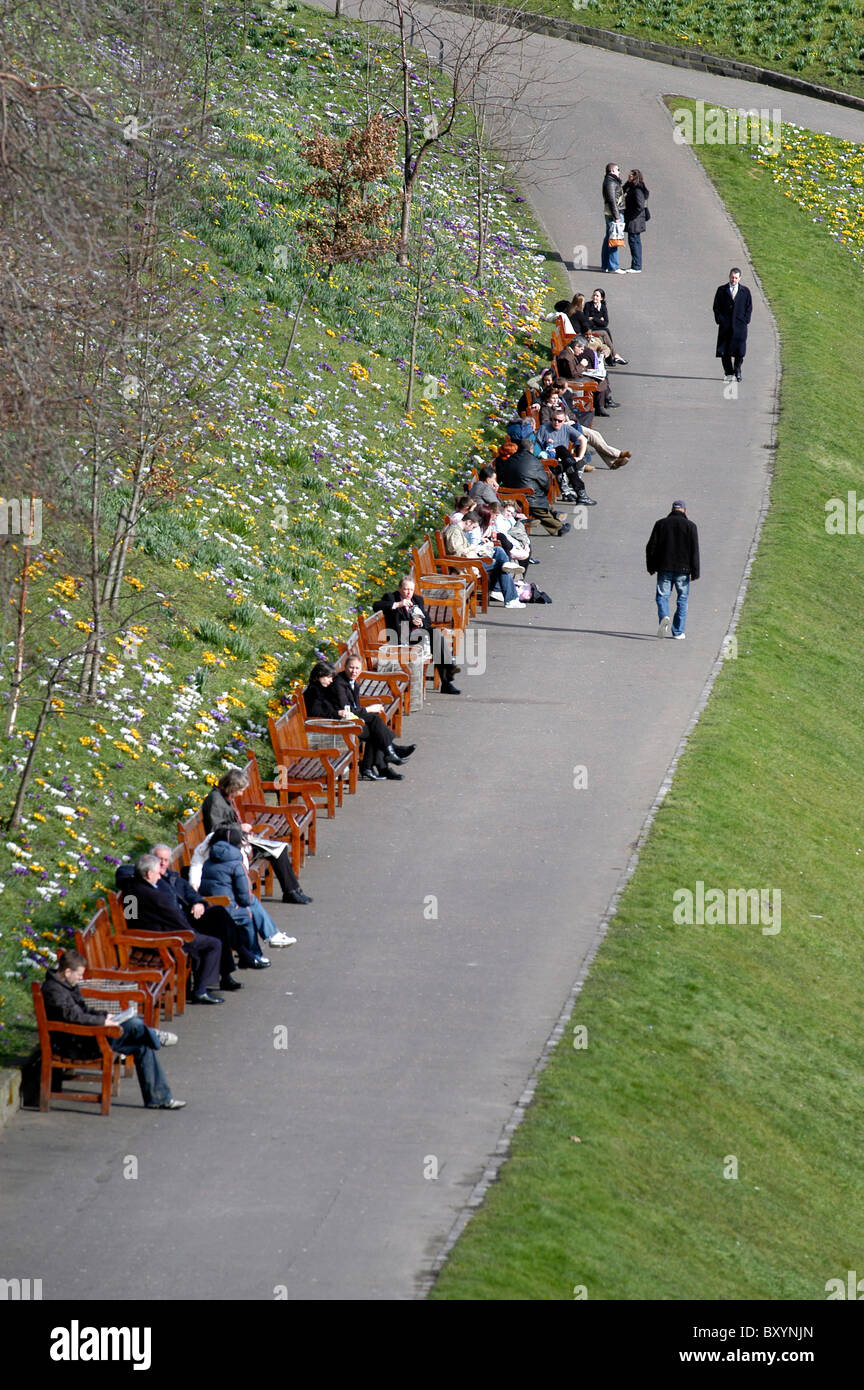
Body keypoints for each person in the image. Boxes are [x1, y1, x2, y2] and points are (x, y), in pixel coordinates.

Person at [42, 949, 185, 1110]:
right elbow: (73, 1017)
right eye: (79, 974)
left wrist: (106, 1016)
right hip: (76, 1043)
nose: (81, 978)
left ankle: (160, 1099)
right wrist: (103, 1022)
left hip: (87, 1036)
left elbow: (83, 1009)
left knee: (143, 1046)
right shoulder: (53, 990)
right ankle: (154, 1036)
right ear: (67, 971)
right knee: (133, 1024)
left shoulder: (68, 984)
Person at [116, 847, 244, 992]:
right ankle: (201, 990)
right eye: (159, 861)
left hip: (175, 921)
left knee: (218, 916)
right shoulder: (151, 892)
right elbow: (169, 918)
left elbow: (190, 894)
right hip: (164, 933)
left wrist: (199, 903)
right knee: (212, 941)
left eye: (166, 860)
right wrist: (191, 933)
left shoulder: (141, 885)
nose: (163, 864)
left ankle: (231, 967)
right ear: (149, 871)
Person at [201, 769, 311, 905]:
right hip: (228, 846)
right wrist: (240, 828)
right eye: (240, 790)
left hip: (237, 839)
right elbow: (215, 830)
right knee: (277, 852)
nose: (241, 794)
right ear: (232, 787)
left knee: (280, 849)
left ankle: (294, 890)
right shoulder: (215, 801)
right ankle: (290, 892)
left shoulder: (223, 796)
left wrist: (243, 831)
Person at [199, 826, 293, 956]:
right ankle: (256, 952)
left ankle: (270, 937)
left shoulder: (209, 861)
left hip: (211, 901)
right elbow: (245, 897)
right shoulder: (236, 864)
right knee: (250, 907)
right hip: (223, 905)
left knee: (251, 903)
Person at [374, 575, 461, 694]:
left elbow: (428, 620)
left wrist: (420, 623)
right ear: (400, 589)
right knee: (436, 643)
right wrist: (398, 604)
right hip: (401, 635)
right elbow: (376, 605)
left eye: (411, 590)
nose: (408, 592)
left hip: (417, 633)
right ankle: (448, 674)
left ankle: (447, 680)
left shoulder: (417, 599)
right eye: (405, 589)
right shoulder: (391, 597)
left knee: (436, 634)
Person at [336, 653, 415, 780]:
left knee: (375, 728)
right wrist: (369, 709)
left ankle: (380, 763)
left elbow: (355, 708)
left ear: (361, 669)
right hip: (343, 722)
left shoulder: (353, 683)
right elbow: (347, 711)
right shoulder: (339, 684)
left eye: (357, 668)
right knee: (374, 721)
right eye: (351, 667)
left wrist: (367, 710)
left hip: (353, 719)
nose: (354, 671)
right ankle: (388, 753)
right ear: (345, 667)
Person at [498, 422, 570, 536]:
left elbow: (502, 476)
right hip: (530, 494)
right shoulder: (534, 461)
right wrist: (544, 491)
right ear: (531, 449)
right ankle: (559, 527)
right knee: (541, 510)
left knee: (542, 506)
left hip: (511, 492)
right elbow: (544, 481)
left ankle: (555, 517)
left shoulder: (510, 460)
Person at [442, 512, 526, 608]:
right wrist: (474, 548)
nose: (471, 530)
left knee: (498, 550)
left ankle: (505, 587)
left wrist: (480, 548)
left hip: (469, 560)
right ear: (468, 522)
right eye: (473, 527)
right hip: (466, 564)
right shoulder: (454, 532)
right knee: (501, 565)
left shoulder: (456, 530)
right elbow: (458, 551)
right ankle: (510, 598)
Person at [646, 500, 700, 640]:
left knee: (662, 596)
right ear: (684, 510)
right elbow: (694, 550)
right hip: (683, 569)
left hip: (664, 567)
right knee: (682, 599)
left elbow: (651, 547)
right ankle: (678, 631)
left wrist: (651, 566)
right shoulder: (691, 526)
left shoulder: (661, 524)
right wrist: (695, 572)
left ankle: (664, 616)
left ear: (672, 509)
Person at [712, 267, 752, 381]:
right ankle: (729, 371)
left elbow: (749, 307)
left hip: (740, 326)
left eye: (736, 278)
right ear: (729, 276)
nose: (733, 279)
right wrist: (720, 319)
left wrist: (746, 319)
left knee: (740, 351)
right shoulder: (721, 290)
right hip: (726, 326)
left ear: (739, 278)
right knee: (725, 351)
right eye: (732, 277)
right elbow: (716, 306)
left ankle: (737, 369)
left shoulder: (745, 291)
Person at [583, 289, 627, 364]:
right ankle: (613, 356)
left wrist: (593, 318)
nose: (595, 297)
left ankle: (611, 358)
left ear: (601, 298)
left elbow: (606, 323)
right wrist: (599, 320)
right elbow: (587, 320)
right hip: (589, 329)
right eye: (594, 295)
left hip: (597, 328)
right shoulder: (588, 305)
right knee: (605, 332)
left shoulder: (603, 307)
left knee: (606, 330)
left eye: (597, 296)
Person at [601, 162, 626, 274]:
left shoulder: (610, 181)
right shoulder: (611, 182)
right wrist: (617, 217)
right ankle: (613, 266)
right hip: (614, 214)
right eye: (618, 169)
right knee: (614, 239)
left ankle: (606, 265)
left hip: (610, 213)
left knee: (608, 238)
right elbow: (612, 200)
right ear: (612, 171)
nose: (619, 172)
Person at [623, 170, 649, 273]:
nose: (628, 176)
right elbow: (623, 190)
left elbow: (640, 206)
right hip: (635, 220)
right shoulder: (633, 187)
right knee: (634, 241)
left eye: (630, 175)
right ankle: (636, 265)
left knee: (634, 242)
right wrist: (628, 183)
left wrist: (631, 216)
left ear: (634, 177)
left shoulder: (637, 190)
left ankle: (636, 266)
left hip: (635, 220)